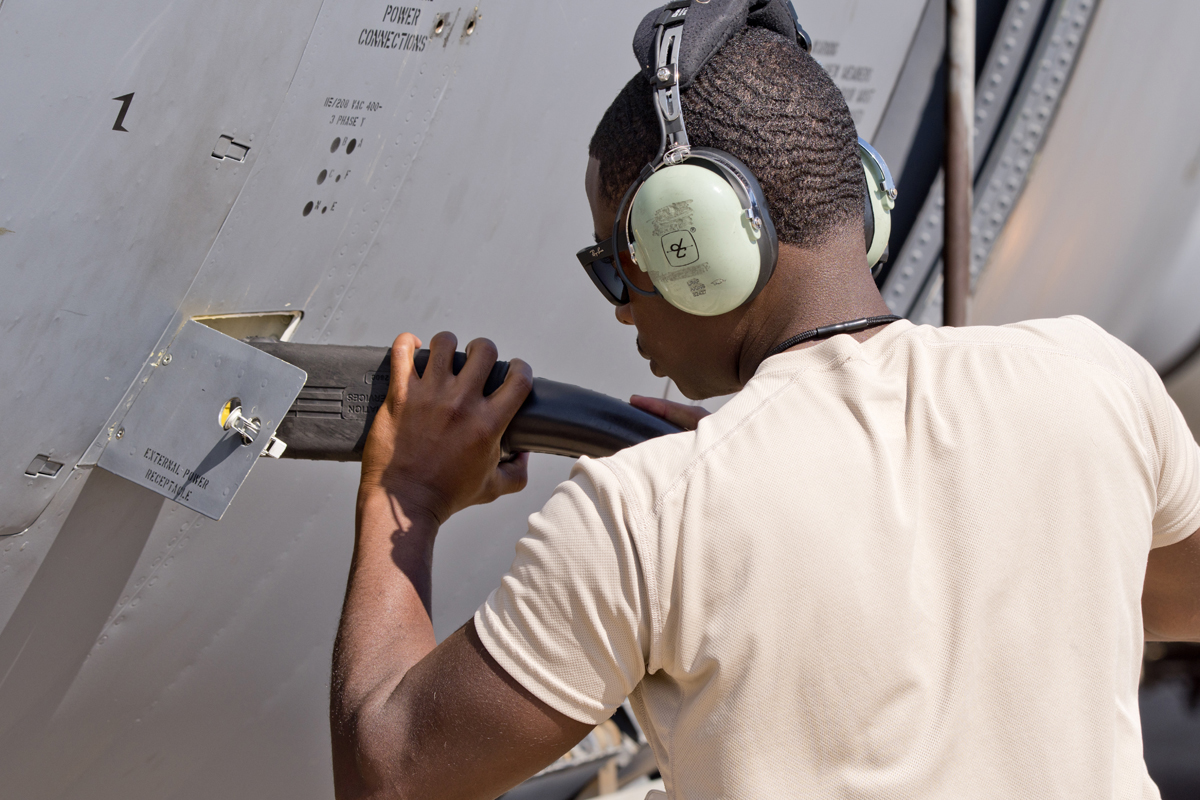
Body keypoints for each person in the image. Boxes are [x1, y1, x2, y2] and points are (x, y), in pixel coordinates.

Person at [328, 14, 1200, 800]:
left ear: (691, 232)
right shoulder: (1097, 380)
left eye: (613, 261)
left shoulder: (645, 519)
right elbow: (1168, 594)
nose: (621, 305)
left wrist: (407, 495)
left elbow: (392, 774)